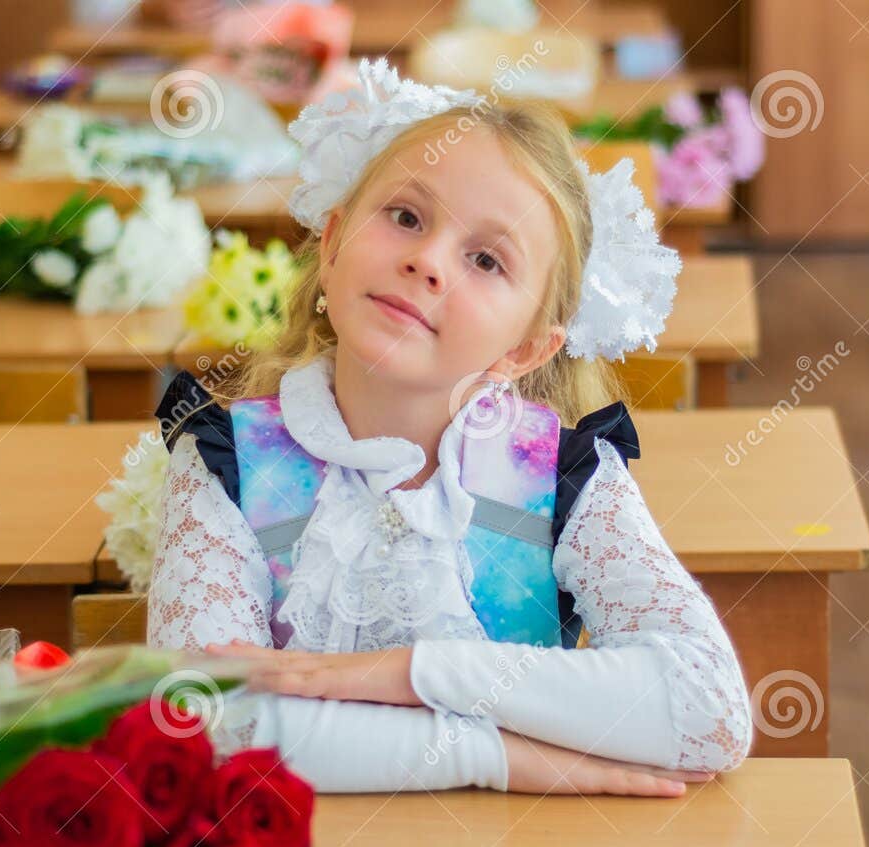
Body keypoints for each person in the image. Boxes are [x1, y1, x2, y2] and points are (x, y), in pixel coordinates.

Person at [146, 60, 752, 795]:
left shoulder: (564, 477)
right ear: (331, 245)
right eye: (405, 217)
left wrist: (409, 675)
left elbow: (709, 710)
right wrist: (499, 758)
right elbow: (195, 724)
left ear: (526, 349)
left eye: (486, 260)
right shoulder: (227, 462)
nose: (428, 262)